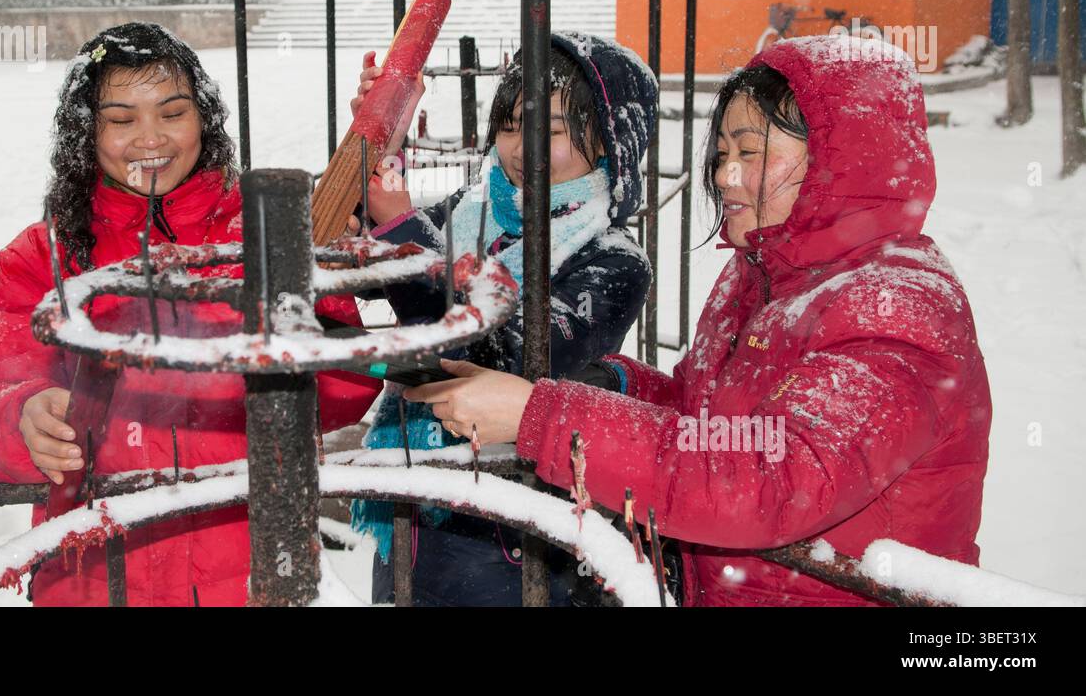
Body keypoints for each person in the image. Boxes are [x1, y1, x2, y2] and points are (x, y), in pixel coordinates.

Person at [405, 34, 993, 606]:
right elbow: (701, 407)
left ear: (843, 160)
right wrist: (618, 384)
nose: (723, 176)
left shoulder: (897, 304)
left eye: (751, 151)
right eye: (721, 155)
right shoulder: (762, 276)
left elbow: (768, 478)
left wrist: (545, 416)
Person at [0, 22, 380, 606]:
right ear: (85, 132)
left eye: (172, 112)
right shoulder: (42, 258)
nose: (150, 138)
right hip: (94, 578)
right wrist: (24, 415)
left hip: (246, 569)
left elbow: (348, 385)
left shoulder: (263, 233)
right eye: (120, 119)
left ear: (203, 119)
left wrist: (288, 340)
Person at [349, 32, 659, 606]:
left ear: (613, 141)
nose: (525, 146)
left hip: (516, 533)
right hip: (414, 514)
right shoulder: (471, 213)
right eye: (513, 125)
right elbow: (354, 235)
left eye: (557, 129)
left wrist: (406, 235)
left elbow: (506, 359)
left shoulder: (612, 260)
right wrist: (383, 140)